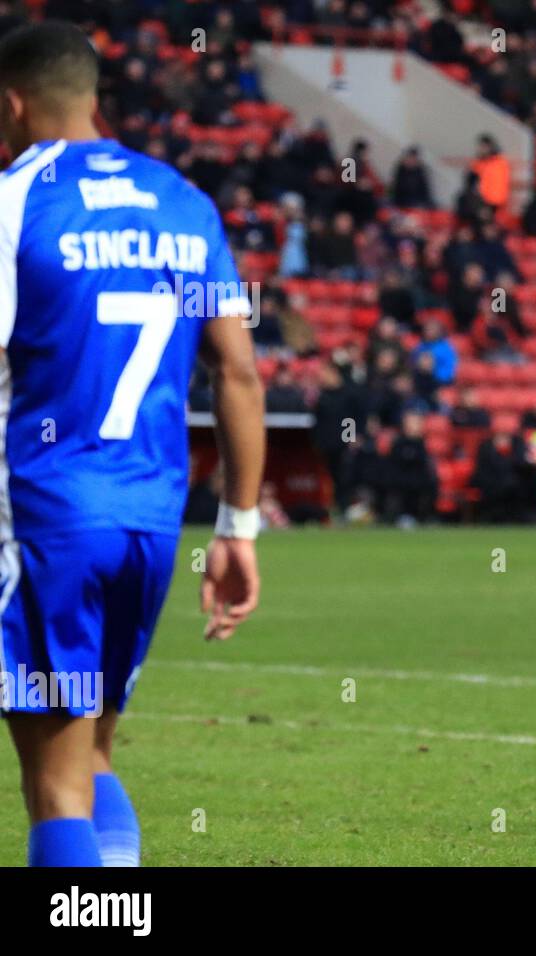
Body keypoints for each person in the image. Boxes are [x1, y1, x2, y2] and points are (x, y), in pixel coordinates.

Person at [0, 21, 265, 866]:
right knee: (90, 754)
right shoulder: (185, 200)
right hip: (150, 525)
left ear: (11, 104)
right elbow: (238, 374)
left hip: (46, 516)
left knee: (53, 788)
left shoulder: (13, 202)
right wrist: (239, 530)